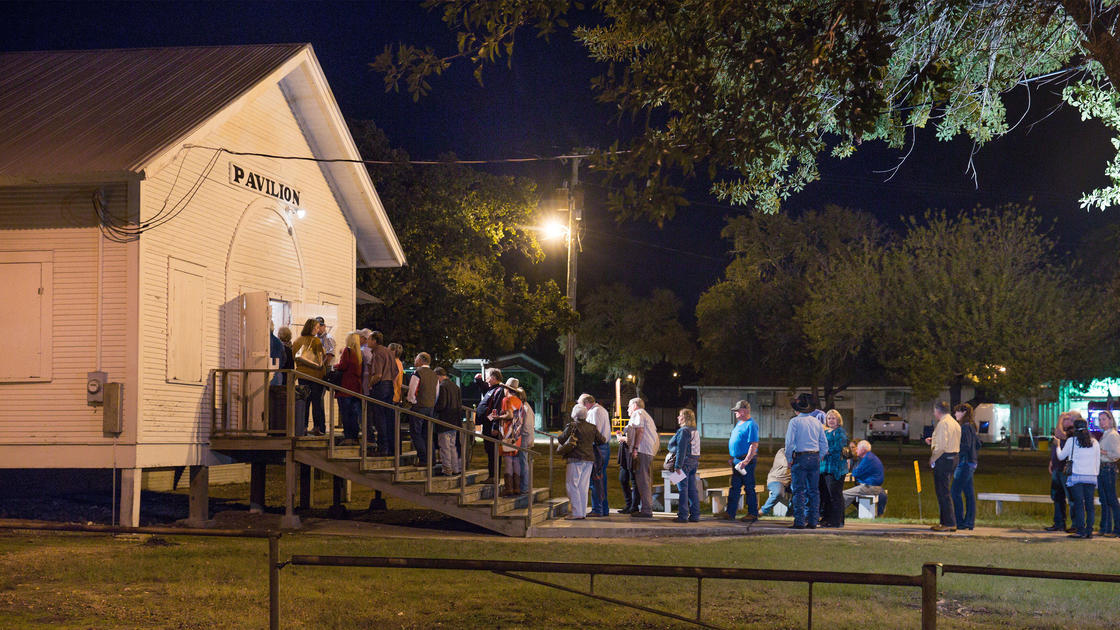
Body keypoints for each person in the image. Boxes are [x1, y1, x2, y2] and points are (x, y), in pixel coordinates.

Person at [784, 393, 828, 529]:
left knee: (799, 490)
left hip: (800, 457)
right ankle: (813, 520)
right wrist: (820, 455)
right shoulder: (817, 422)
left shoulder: (794, 422)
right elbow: (824, 443)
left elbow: (789, 443)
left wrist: (789, 458)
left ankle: (799, 521)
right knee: (813, 491)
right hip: (814, 457)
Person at [1056, 414, 1101, 538]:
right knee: (1090, 505)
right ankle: (1089, 531)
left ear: (1075, 428)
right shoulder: (1094, 442)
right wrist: (1095, 475)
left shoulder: (1072, 441)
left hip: (1077, 476)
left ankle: (1080, 530)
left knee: (1079, 504)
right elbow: (1097, 461)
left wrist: (1058, 445)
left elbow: (1061, 456)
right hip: (1091, 476)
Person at [560, 404, 605, 519]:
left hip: (575, 458)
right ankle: (582, 512)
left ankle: (576, 513)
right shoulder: (592, 427)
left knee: (571, 485)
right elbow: (602, 440)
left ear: (574, 414)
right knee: (583, 486)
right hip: (589, 459)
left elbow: (561, 439)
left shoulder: (572, 426)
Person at [720, 400, 759, 522]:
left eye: (737, 411)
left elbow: (753, 444)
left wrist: (746, 461)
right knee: (734, 487)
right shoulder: (740, 423)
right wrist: (733, 457)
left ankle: (752, 513)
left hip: (745, 461)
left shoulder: (751, 425)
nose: (735, 413)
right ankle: (730, 513)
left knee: (749, 487)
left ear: (744, 411)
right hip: (737, 460)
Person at [925, 401, 961, 532]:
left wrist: (932, 458)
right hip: (954, 457)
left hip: (943, 459)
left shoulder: (943, 423)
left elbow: (941, 446)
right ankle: (945, 522)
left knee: (942, 491)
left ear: (938, 410)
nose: (934, 413)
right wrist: (933, 441)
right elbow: (949, 441)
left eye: (934, 411)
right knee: (945, 490)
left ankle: (949, 522)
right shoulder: (954, 423)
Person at [291, 318, 326, 436]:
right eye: (316, 327)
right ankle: (317, 427)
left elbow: (295, 357)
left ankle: (303, 426)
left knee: (304, 402)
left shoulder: (297, 341)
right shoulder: (316, 341)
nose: (318, 330)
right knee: (316, 403)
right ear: (312, 328)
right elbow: (320, 362)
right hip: (315, 376)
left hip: (302, 375)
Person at [579, 394, 612, 517]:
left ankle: (598, 509)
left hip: (597, 448)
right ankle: (603, 508)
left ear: (586, 403)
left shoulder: (594, 412)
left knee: (596, 479)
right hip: (603, 447)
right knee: (601, 478)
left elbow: (593, 432)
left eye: (581, 405)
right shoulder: (601, 410)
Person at [627, 397, 659, 518]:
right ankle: (646, 508)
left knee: (643, 480)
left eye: (629, 406)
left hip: (642, 450)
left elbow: (639, 430)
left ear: (635, 405)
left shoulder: (638, 413)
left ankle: (646, 510)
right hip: (648, 450)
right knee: (645, 479)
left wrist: (635, 448)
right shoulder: (645, 414)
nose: (628, 409)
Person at [367, 331, 398, 456]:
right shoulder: (388, 352)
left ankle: (383, 448)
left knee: (379, 418)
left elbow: (378, 374)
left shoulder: (377, 352)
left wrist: (370, 384)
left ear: (375, 341)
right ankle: (391, 448)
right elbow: (396, 371)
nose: (367, 341)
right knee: (388, 417)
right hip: (389, 386)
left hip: (380, 387)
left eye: (369, 339)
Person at [667, 408, 701, 523]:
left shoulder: (683, 431)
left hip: (684, 463)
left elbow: (681, 450)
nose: (678, 417)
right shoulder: (694, 430)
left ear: (685, 418)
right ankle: (695, 515)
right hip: (693, 462)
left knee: (682, 490)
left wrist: (677, 466)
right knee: (692, 489)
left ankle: (683, 515)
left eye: (680, 415)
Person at [1045, 412, 1076, 532]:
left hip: (1066, 470)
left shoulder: (1072, 432)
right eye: (1064, 419)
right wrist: (1051, 461)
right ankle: (1059, 523)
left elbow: (1058, 433)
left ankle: (1076, 524)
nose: (1064, 421)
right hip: (1057, 468)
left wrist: (1061, 416)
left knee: (1071, 498)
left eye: (1067, 419)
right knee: (1057, 497)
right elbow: (1056, 446)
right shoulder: (1061, 432)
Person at [818, 409, 849, 528]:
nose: (831, 420)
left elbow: (838, 448)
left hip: (835, 468)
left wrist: (825, 451)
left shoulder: (840, 432)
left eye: (833, 418)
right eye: (829, 418)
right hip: (824, 467)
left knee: (835, 495)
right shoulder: (825, 432)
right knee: (825, 494)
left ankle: (837, 520)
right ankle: (826, 518)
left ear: (838, 420)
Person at [951, 403, 979, 530]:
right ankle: (969, 522)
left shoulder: (965, 427)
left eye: (957, 412)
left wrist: (954, 450)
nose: (955, 414)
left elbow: (966, 445)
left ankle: (959, 521)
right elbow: (978, 444)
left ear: (963, 413)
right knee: (968, 493)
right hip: (971, 462)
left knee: (955, 492)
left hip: (964, 463)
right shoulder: (971, 426)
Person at [406, 352, 437, 465]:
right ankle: (432, 459)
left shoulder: (417, 373)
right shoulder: (434, 374)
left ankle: (423, 459)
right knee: (427, 434)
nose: (415, 361)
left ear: (420, 360)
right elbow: (436, 392)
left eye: (416, 358)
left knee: (416, 433)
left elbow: (412, 391)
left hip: (419, 407)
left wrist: (412, 401)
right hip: (430, 407)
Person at [494, 378, 524, 496]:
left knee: (508, 461)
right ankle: (517, 488)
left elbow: (509, 415)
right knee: (516, 461)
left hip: (507, 434)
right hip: (517, 435)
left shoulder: (506, 399)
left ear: (507, 389)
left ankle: (509, 488)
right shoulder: (519, 401)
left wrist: (498, 417)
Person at [333, 332, 364, 445]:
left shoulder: (348, 351)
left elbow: (343, 366)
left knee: (345, 413)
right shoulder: (359, 353)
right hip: (356, 388)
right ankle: (354, 437)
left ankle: (348, 437)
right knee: (353, 414)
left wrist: (335, 366)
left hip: (345, 386)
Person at [474, 368, 505, 474]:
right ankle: (491, 475)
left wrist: (493, 425)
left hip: (491, 427)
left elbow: (497, 409)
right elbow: (483, 387)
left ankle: (494, 476)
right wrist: (478, 380)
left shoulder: (499, 390)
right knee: (489, 451)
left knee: (493, 452)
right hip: (487, 425)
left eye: (487, 376)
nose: (486, 379)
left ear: (493, 378)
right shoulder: (491, 389)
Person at [433, 367, 462, 476]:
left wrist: (434, 408)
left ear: (438, 376)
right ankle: (455, 468)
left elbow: (442, 404)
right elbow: (459, 405)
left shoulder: (442, 386)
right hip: (454, 421)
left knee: (444, 446)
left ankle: (447, 469)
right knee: (452, 446)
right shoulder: (455, 386)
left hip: (444, 420)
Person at [1097, 410, 1120, 537]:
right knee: (1104, 500)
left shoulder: (1113, 435)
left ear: (1110, 420)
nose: (1101, 422)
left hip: (1108, 469)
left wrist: (1101, 451)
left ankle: (1117, 529)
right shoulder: (1105, 434)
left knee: (1111, 499)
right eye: (1100, 419)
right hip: (1102, 469)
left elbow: (1116, 455)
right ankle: (1105, 528)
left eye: (1104, 419)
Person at [842, 440, 884, 509]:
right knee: (851, 494)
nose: (851, 450)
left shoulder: (865, 459)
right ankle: (840, 511)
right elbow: (848, 470)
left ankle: (837, 512)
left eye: (853, 447)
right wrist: (848, 460)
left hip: (869, 487)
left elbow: (855, 473)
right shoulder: (858, 458)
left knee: (844, 494)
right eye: (850, 448)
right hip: (867, 486)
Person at [759, 447, 790, 516]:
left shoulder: (801, 454)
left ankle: (791, 512)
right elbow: (787, 464)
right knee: (778, 493)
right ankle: (763, 511)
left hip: (790, 481)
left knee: (802, 491)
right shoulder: (782, 451)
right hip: (776, 479)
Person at [616, 422, 640, 514]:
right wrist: (620, 437)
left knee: (634, 481)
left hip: (631, 455)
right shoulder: (629, 423)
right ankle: (628, 504)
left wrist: (622, 438)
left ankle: (634, 506)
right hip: (624, 455)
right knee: (623, 479)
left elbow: (632, 439)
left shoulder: (637, 423)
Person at [517, 388, 535, 494]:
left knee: (523, 462)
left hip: (524, 437)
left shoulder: (523, 407)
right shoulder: (527, 406)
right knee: (525, 461)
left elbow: (523, 424)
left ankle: (525, 487)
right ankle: (525, 486)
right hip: (528, 436)